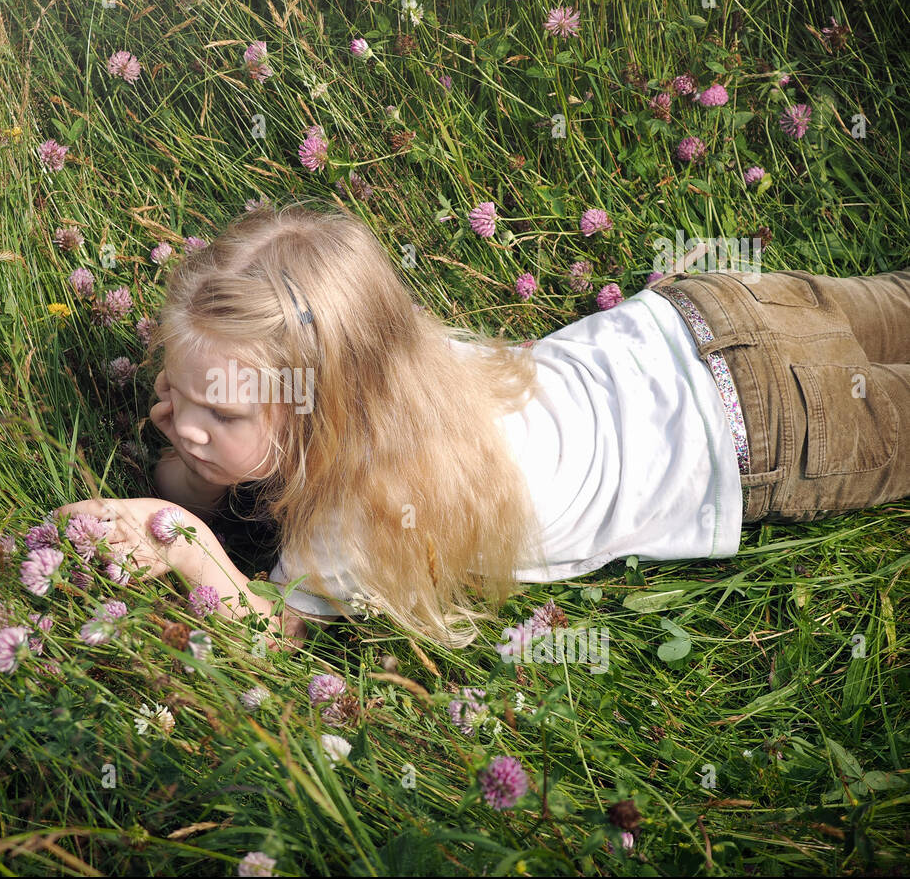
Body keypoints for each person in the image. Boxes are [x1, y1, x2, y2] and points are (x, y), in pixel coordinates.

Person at [58, 201, 910, 650]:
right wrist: (198, 462)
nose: (183, 423)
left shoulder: (357, 521)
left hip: (765, 437)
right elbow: (208, 466)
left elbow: (264, 631)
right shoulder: (406, 366)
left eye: (221, 410)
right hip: (709, 315)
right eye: (178, 389)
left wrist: (181, 542)